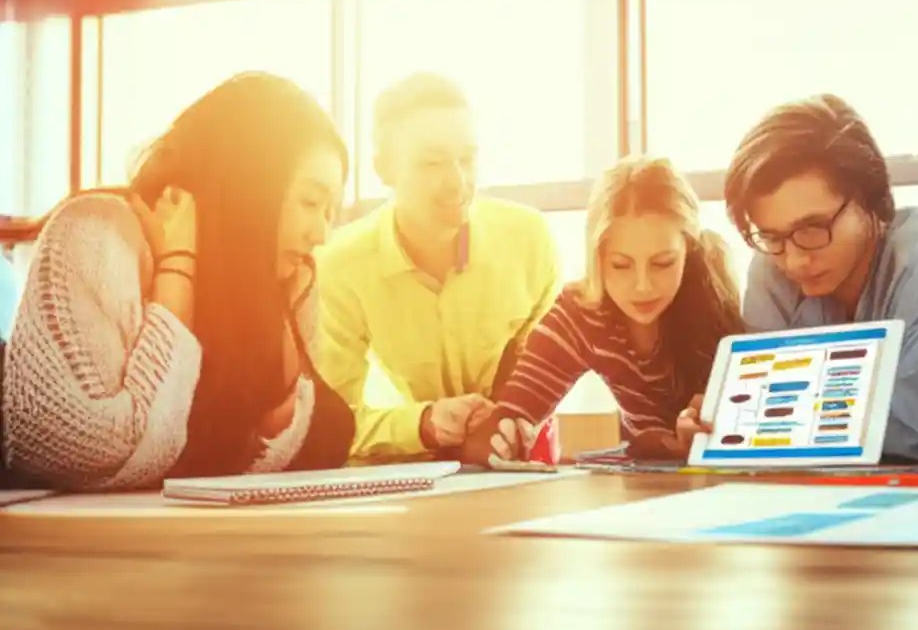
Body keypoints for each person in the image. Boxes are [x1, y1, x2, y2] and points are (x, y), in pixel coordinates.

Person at [2, 72, 354, 490]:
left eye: (330, 211)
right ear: (246, 186)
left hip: (192, 542)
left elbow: (312, 451)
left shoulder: (281, 275)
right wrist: (176, 275)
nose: (321, 234)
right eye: (310, 202)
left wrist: (280, 366)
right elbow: (70, 449)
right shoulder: (98, 233)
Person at [679, 94, 918, 462]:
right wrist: (720, 422)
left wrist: (764, 420)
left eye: (813, 227)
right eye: (771, 236)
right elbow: (763, 415)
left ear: (869, 200)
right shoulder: (769, 266)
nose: (793, 260)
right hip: (831, 488)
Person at [316, 73, 559, 463]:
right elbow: (331, 426)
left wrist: (513, 411)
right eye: (432, 163)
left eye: (467, 159)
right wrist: (424, 423)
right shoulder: (340, 267)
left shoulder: (529, 241)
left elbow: (543, 374)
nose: (457, 183)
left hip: (518, 461)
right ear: (383, 168)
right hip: (419, 471)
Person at [468, 155, 743, 462]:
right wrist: (503, 439)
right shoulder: (580, 313)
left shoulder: (716, 303)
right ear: (597, 257)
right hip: (641, 486)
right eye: (621, 265)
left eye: (662, 263)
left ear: (688, 250)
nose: (643, 286)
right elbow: (505, 421)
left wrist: (714, 429)